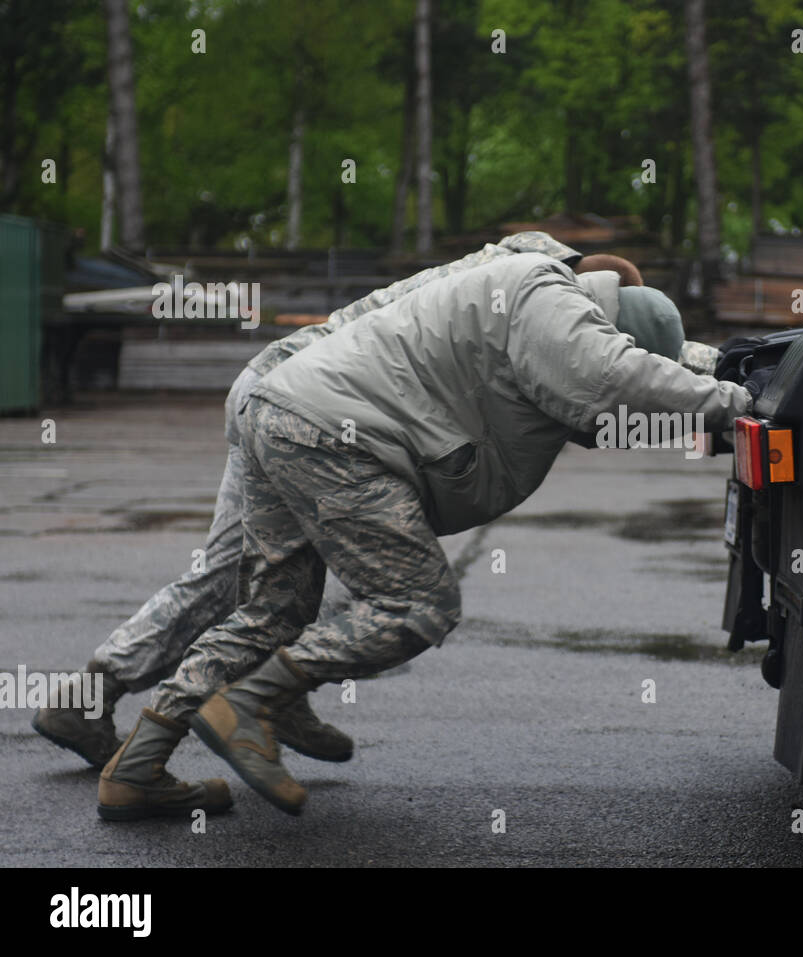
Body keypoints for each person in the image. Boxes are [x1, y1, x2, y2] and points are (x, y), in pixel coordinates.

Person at [96, 251, 757, 819]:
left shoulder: (550, 296)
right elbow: (622, 375)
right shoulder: (553, 309)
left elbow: (656, 363)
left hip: (286, 409)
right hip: (333, 435)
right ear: (609, 328)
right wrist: (736, 405)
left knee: (276, 608)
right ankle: (256, 700)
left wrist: (740, 371)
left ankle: (137, 767)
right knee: (418, 601)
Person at [36, 231, 600, 773]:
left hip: (285, 389)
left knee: (270, 579)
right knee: (238, 578)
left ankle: (262, 702)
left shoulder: (498, 270)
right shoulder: (527, 291)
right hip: (297, 401)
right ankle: (101, 699)